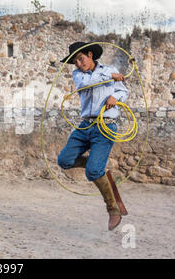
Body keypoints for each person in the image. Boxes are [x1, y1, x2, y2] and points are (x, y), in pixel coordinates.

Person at [57, 41, 129, 231]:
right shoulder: (78, 75)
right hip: (85, 125)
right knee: (64, 160)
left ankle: (113, 209)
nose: (79, 64)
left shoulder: (110, 69)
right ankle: (96, 165)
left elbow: (123, 90)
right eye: (75, 62)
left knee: (92, 172)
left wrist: (116, 97)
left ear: (90, 55)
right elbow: (86, 84)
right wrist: (111, 76)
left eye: (81, 59)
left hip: (106, 125)